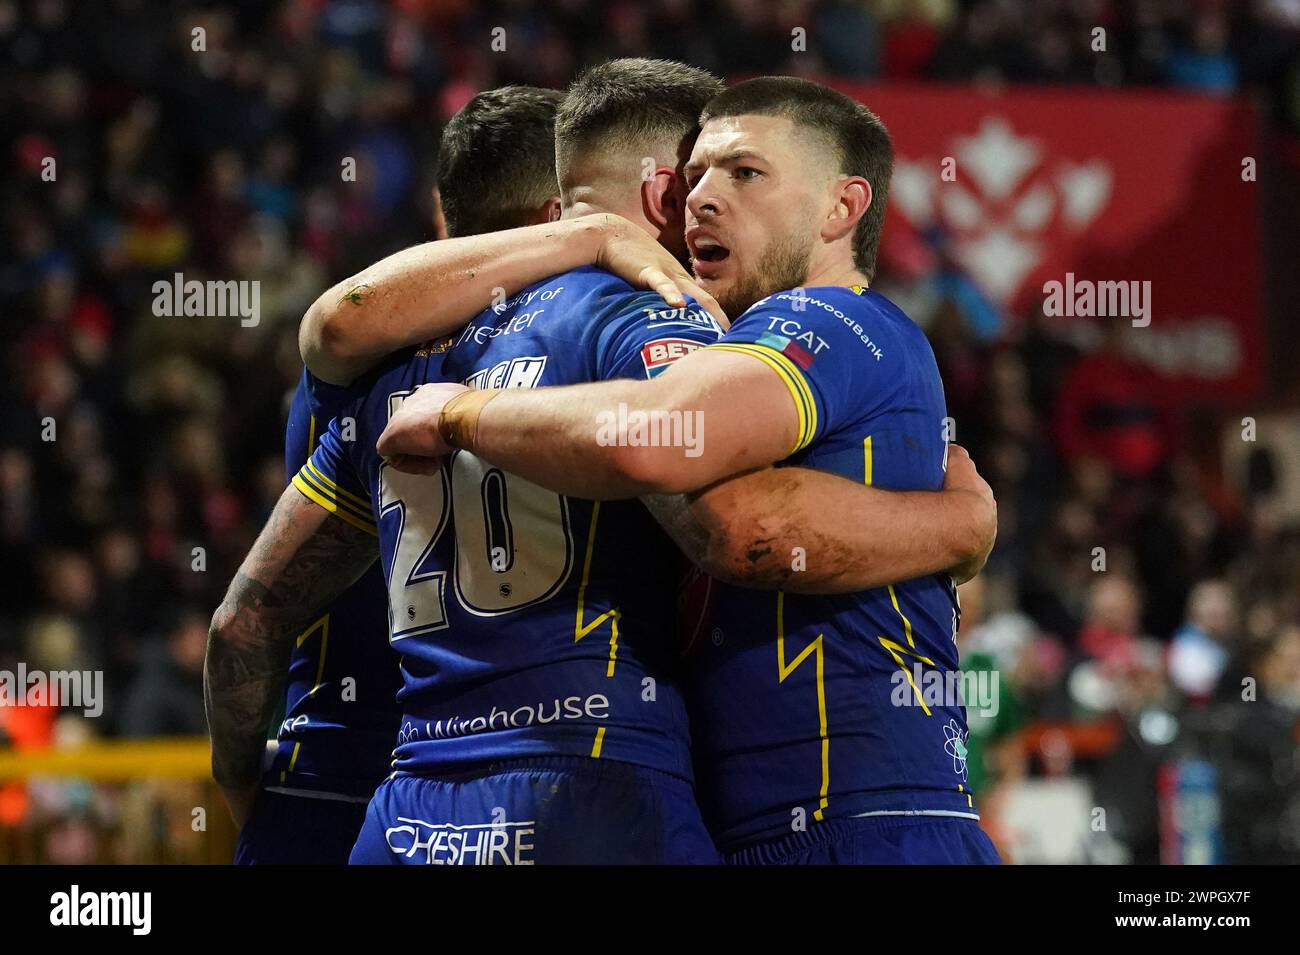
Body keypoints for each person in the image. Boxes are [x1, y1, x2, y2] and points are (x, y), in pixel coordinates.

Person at [375, 76, 1002, 863]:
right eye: (696, 173)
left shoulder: (824, 318)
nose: (700, 198)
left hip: (858, 821)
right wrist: (959, 529)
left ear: (842, 208)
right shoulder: (737, 340)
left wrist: (463, 414)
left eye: (745, 173)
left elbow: (707, 486)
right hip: (787, 819)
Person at [207, 86, 565, 864]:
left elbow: (243, 624)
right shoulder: (600, 359)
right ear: (561, 219)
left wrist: (243, 782)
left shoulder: (354, 367)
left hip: (322, 780)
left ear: (441, 212)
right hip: (519, 785)